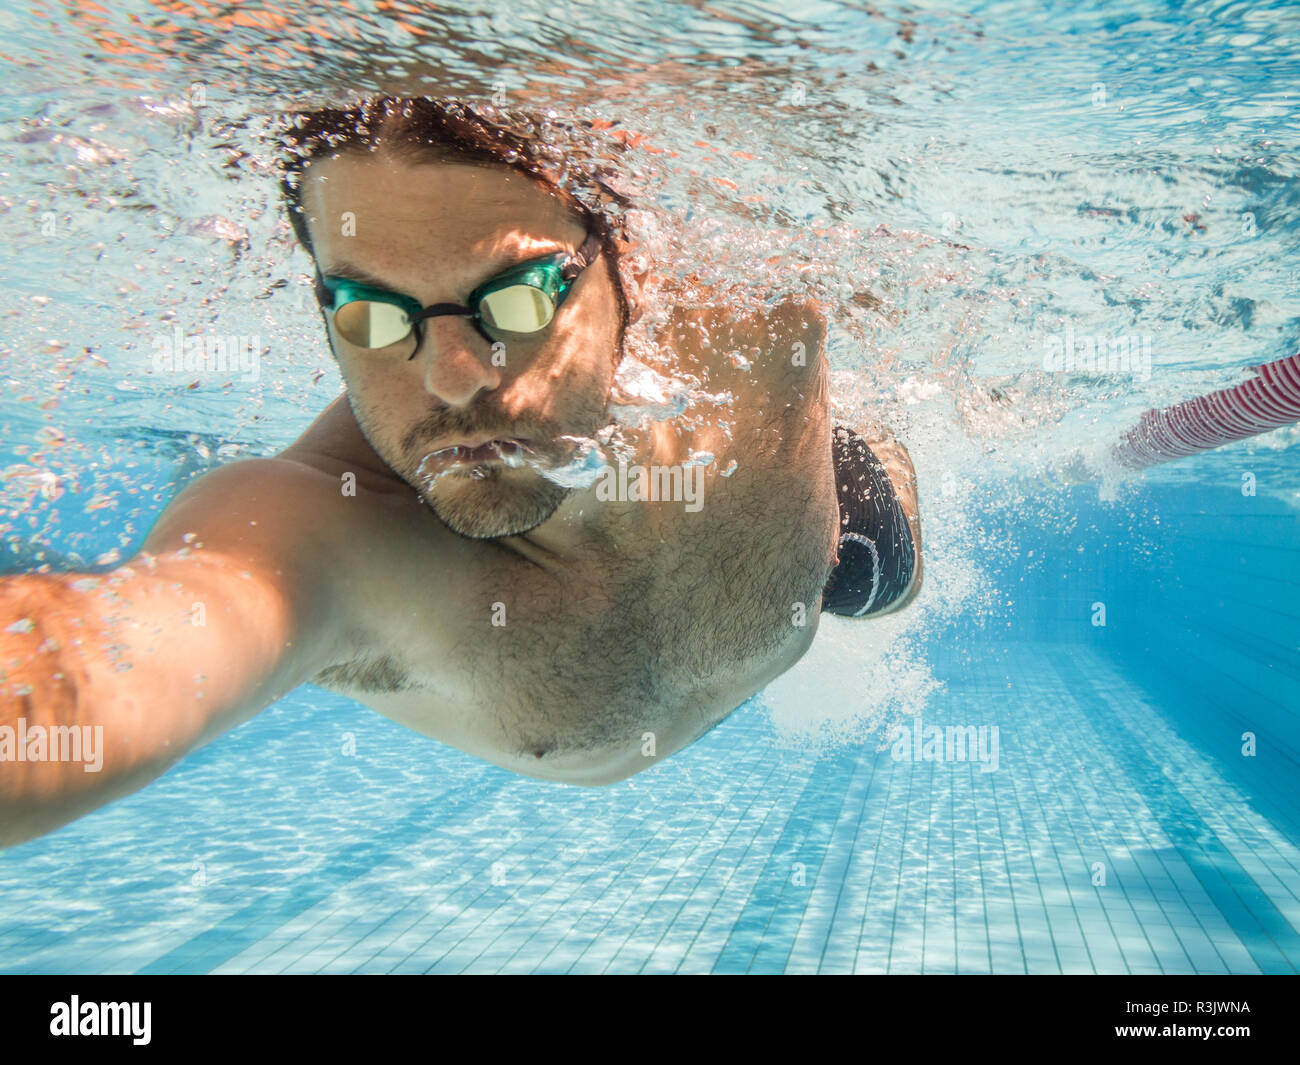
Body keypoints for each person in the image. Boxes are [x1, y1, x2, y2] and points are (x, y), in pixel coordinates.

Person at [0, 96, 921, 849]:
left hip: (842, 542)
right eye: (371, 311)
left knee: (889, 570)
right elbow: (136, 644)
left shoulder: (756, 304)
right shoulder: (324, 533)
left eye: (513, 297)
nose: (451, 377)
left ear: (628, 265)